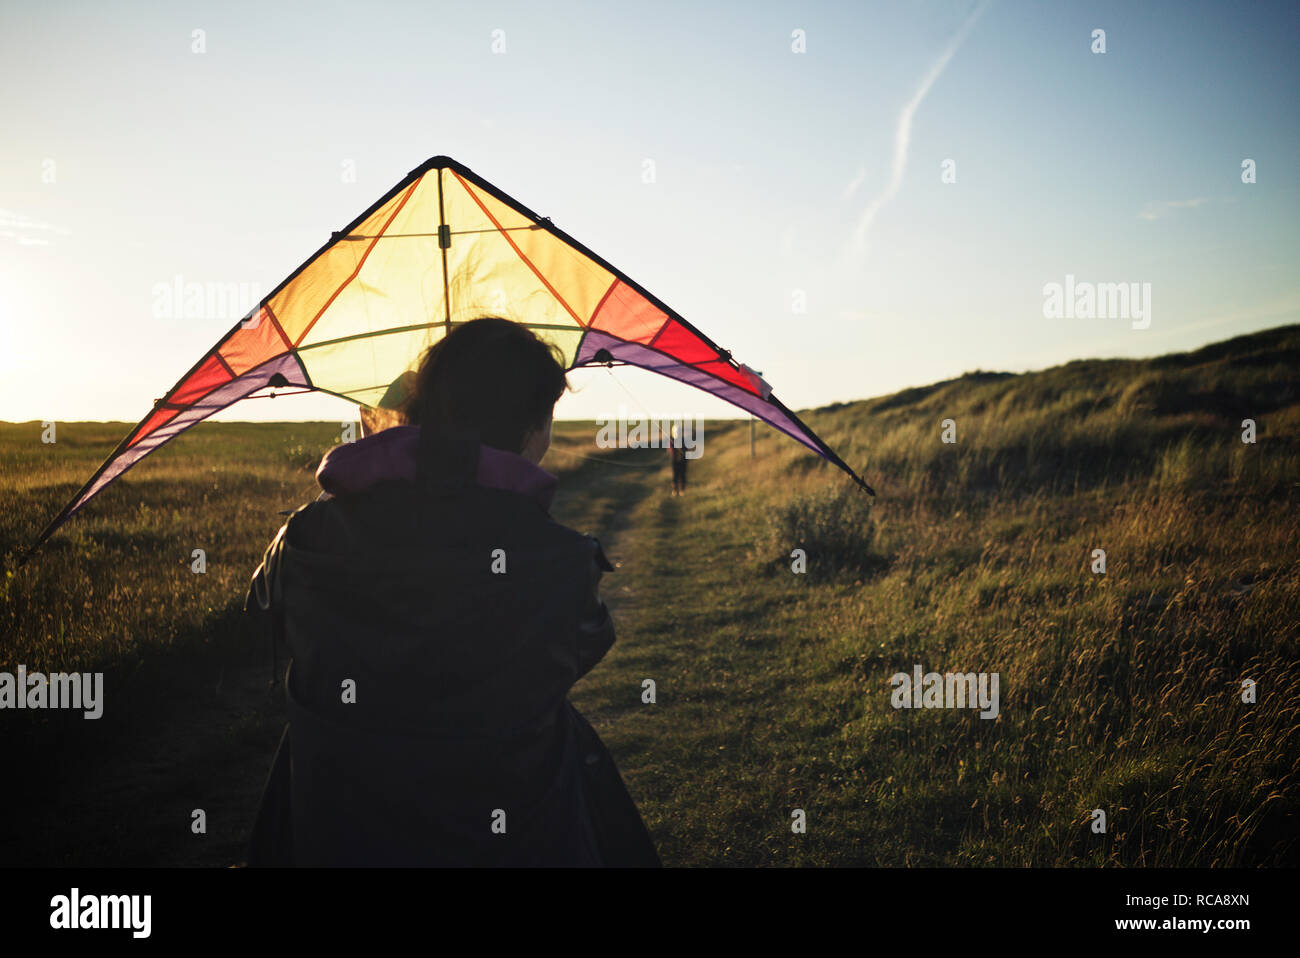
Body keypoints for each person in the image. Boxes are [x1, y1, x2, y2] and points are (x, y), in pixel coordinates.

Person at [245, 317, 659, 867]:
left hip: (332, 827)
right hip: (517, 834)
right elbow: (581, 648)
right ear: (533, 427)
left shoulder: (307, 534)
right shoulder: (561, 557)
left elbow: (264, 610)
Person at [668, 421, 688, 496]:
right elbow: (670, 449)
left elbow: (686, 449)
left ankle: (682, 490)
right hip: (674, 460)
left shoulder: (684, 440)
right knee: (675, 475)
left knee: (683, 475)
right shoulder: (671, 440)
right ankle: (675, 490)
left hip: (683, 460)